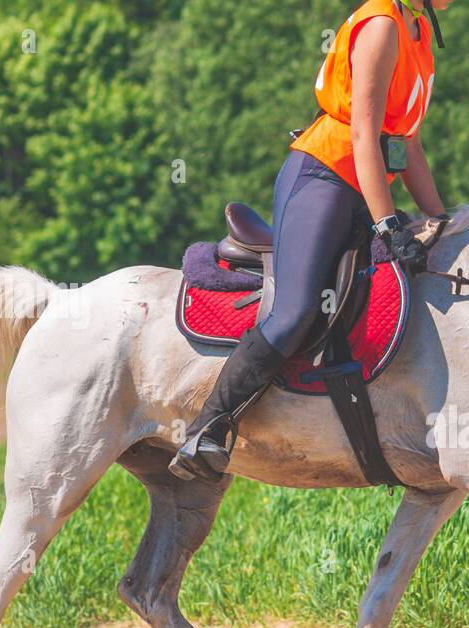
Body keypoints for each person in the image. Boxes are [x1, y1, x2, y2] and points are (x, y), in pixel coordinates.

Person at [170, 0, 453, 481]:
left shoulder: (419, 30)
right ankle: (207, 430)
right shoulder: (383, 24)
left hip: (366, 185)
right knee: (297, 310)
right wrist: (388, 225)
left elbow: (409, 146)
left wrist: (442, 218)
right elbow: (365, 136)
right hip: (323, 177)